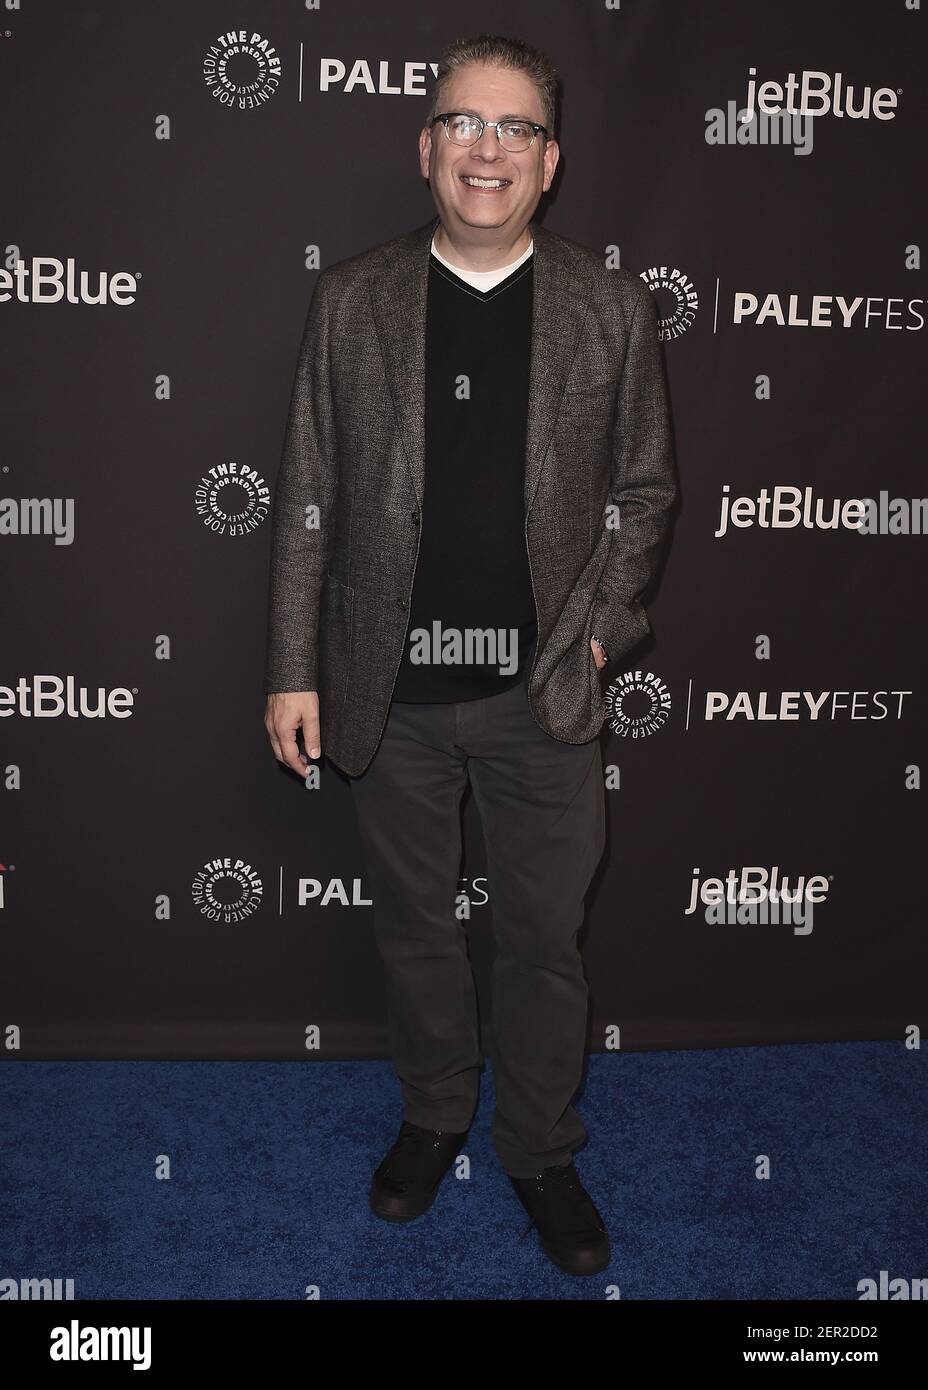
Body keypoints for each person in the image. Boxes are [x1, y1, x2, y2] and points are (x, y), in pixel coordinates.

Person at [264, 33, 676, 1277]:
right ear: (425, 147)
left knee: (543, 944)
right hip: (384, 688)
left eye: (514, 129)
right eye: (463, 123)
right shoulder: (352, 300)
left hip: (543, 691)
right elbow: (308, 497)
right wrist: (294, 667)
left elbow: (645, 493)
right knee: (415, 929)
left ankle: (540, 1148)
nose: (485, 150)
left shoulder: (610, 308)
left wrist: (598, 634)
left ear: (550, 162)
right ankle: (435, 1113)